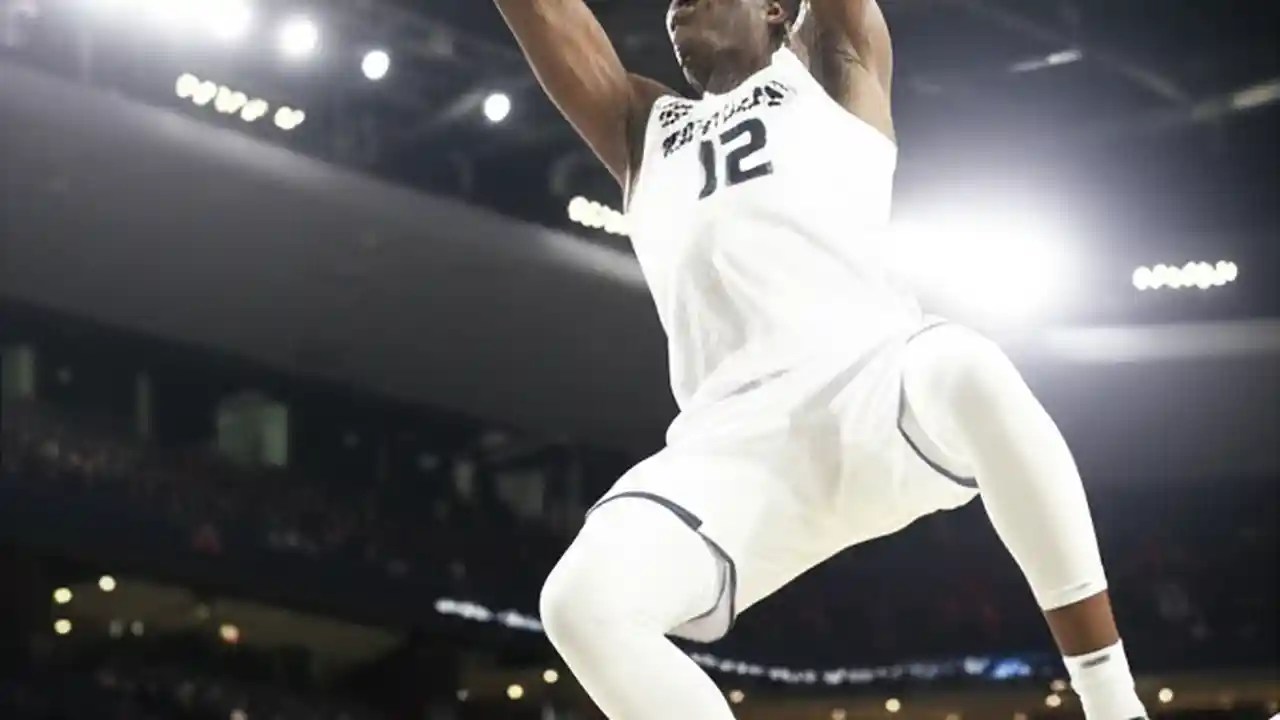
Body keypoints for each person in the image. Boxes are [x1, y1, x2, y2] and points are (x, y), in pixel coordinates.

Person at [492, 1, 1149, 718]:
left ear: (776, 8)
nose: (677, 2)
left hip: (875, 386)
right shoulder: (640, 126)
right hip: (732, 453)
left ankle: (1113, 705)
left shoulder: (834, 65)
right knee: (582, 603)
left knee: (968, 366)